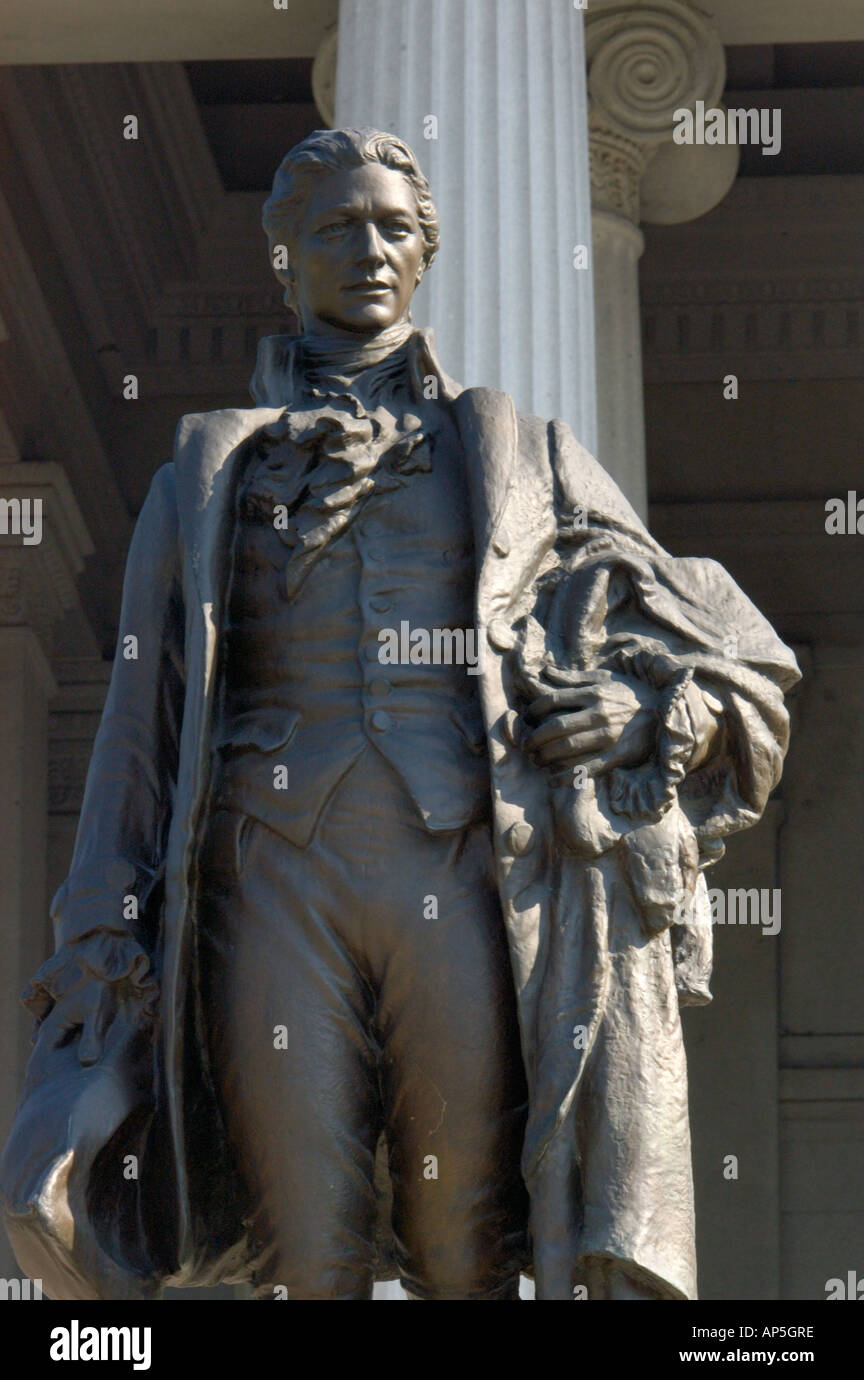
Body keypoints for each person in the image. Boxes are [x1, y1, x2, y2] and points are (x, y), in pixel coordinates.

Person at [1, 128, 800, 1301]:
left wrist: (634, 707)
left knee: (462, 1243)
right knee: (300, 1246)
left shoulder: (521, 455)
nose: (368, 250)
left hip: (469, 876)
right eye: (336, 228)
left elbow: (735, 654)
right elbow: (137, 727)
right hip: (266, 888)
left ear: (425, 253)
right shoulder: (203, 477)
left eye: (391, 227)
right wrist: (95, 948)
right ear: (285, 261)